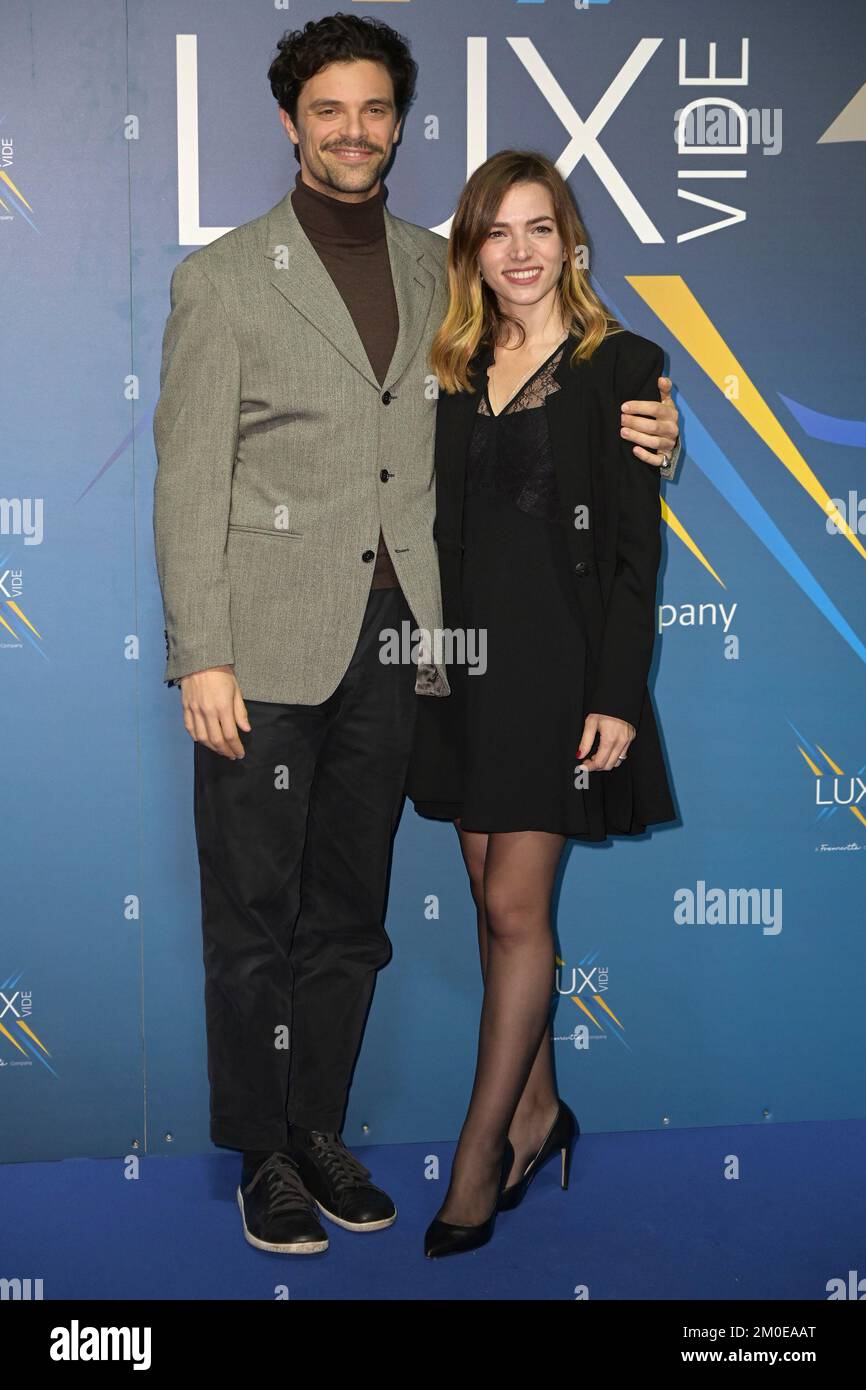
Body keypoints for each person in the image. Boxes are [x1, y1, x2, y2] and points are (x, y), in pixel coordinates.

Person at [152, 14, 681, 1259]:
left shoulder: (432, 268)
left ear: (399, 123)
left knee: (347, 913)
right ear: (290, 123)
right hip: (266, 651)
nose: (352, 130)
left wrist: (649, 434)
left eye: (374, 109)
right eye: (327, 110)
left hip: (410, 656)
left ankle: (323, 1128)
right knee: (253, 918)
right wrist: (202, 652)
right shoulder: (221, 279)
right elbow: (185, 486)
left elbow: (553, 402)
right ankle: (264, 1156)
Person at [405, 150, 679, 1259]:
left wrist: (616, 696)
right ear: (470, 249)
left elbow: (629, 552)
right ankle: (537, 1112)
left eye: (537, 228)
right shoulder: (452, 364)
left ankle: (477, 1155)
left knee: (517, 911)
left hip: (559, 681)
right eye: (494, 232)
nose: (517, 252)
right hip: (461, 671)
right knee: (486, 896)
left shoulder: (622, 363)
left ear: (569, 241)